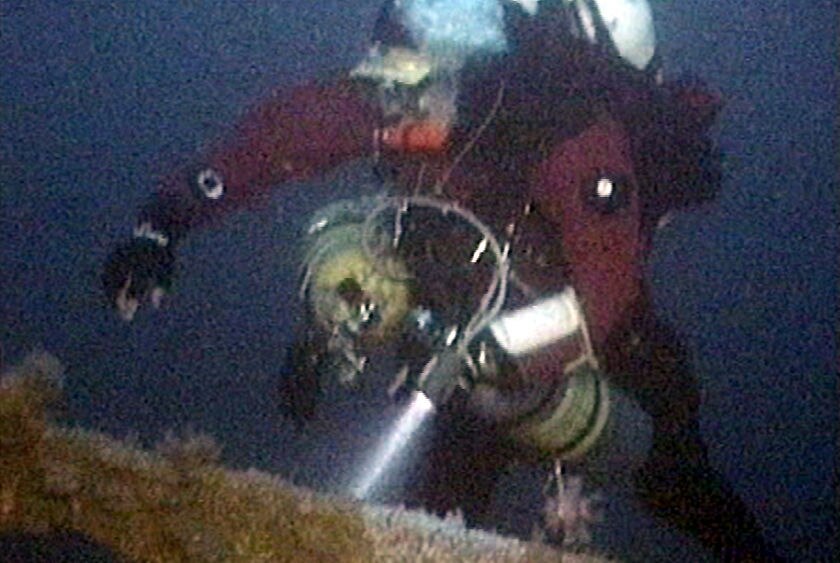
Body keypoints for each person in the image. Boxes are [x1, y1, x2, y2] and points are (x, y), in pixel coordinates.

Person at [103, 1, 782, 560]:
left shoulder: (568, 132)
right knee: (440, 511)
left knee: (674, 477)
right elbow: (291, 130)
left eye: (416, 84)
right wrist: (164, 223)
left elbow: (607, 292)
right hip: (464, 351)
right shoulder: (406, 99)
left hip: (589, 345)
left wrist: (500, 354)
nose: (394, 108)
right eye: (394, 79)